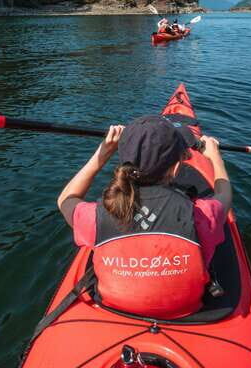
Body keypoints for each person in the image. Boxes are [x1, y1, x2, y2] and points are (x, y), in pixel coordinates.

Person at [57, 116, 232, 318]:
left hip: (113, 306)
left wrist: (102, 154)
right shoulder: (203, 214)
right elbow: (224, 195)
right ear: (176, 168)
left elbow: (65, 199)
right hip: (186, 311)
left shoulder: (95, 216)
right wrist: (215, 158)